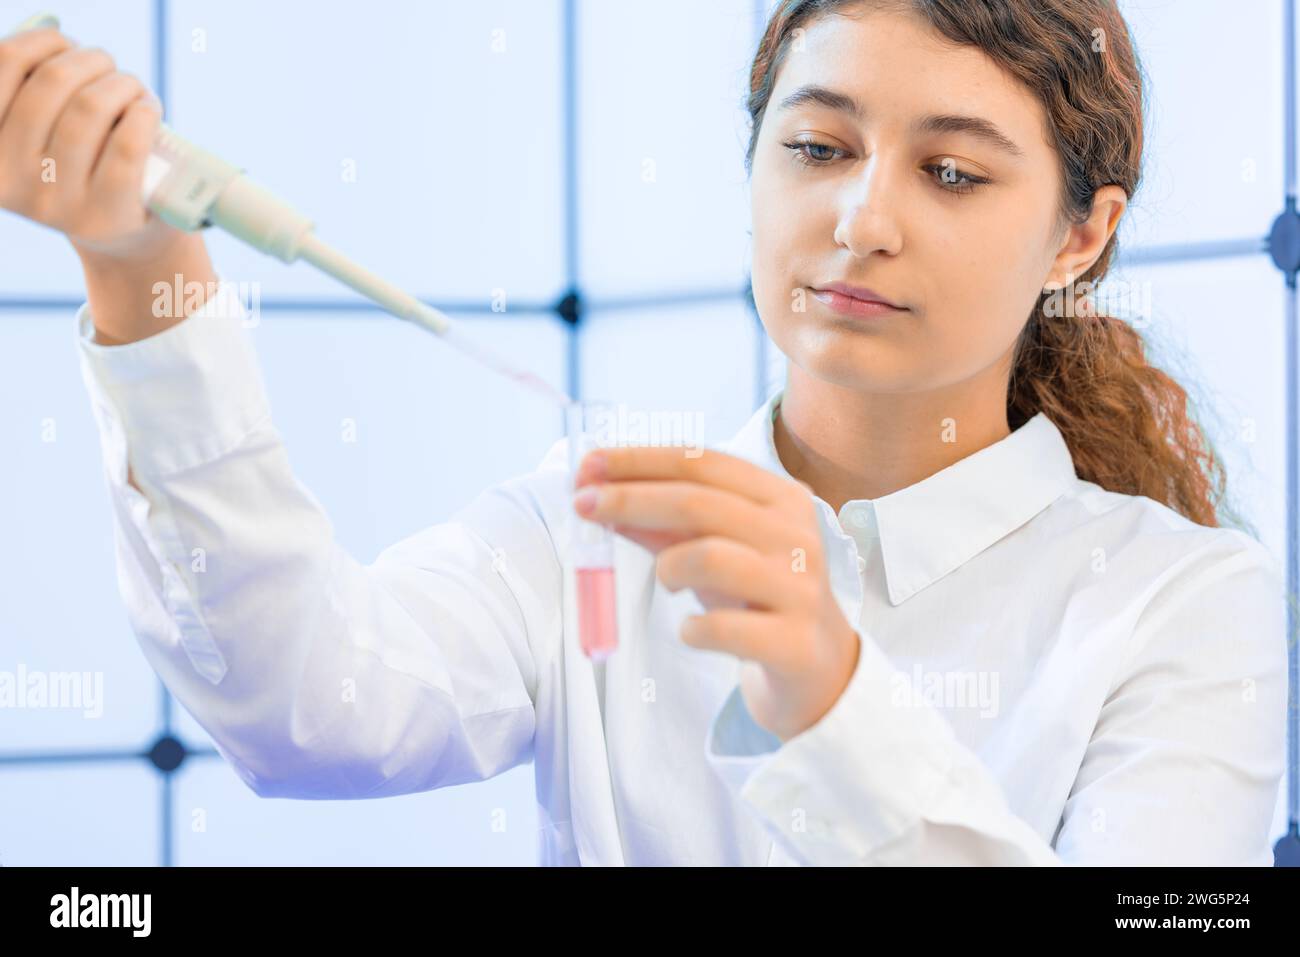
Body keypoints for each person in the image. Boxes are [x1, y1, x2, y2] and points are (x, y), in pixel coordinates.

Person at [0, 0, 1286, 866]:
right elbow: (300, 710)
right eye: (819, 146)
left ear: (1081, 235)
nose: (859, 220)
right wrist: (140, 262)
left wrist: (834, 701)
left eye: (951, 171)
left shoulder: (1185, 607)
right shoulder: (593, 530)